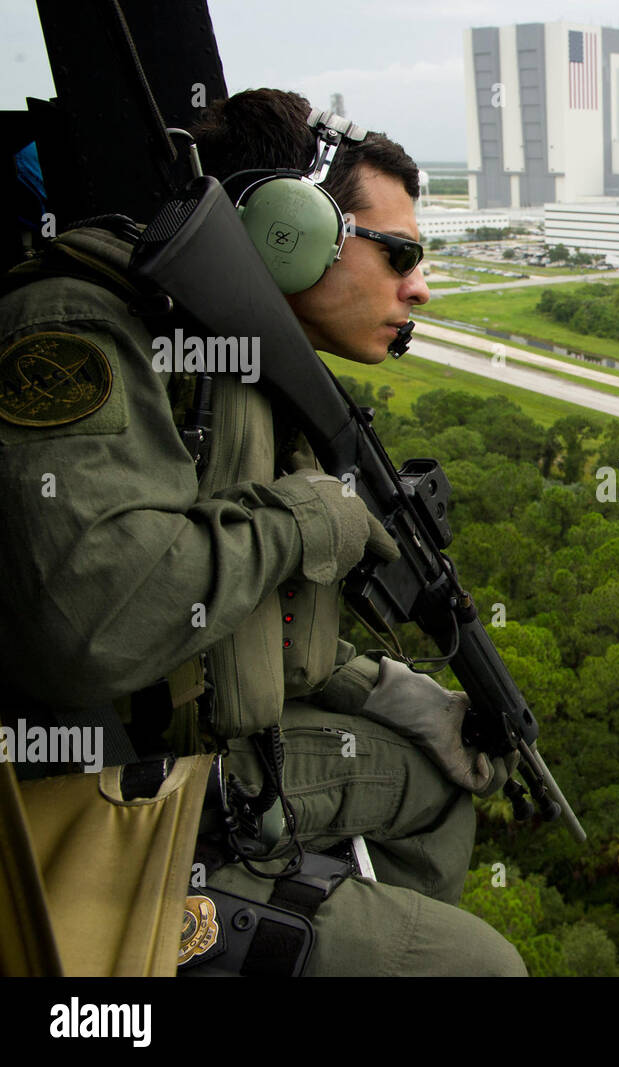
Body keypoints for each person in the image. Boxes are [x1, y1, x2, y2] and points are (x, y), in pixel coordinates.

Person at [0, 89, 526, 976]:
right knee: (484, 968)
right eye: (398, 254)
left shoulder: (229, 360)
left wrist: (384, 689)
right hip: (88, 804)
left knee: (443, 781)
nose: (420, 286)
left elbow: (234, 627)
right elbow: (95, 628)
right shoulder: (82, 325)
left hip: (199, 757)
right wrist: (314, 514)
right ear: (291, 229)